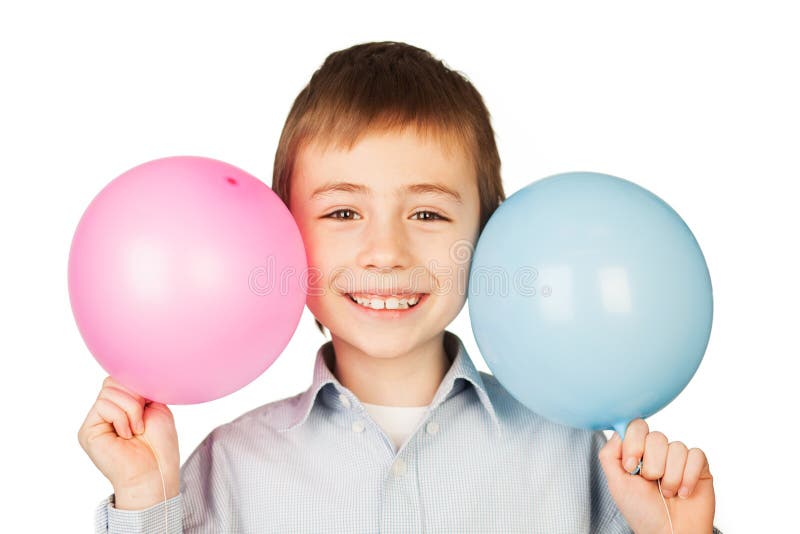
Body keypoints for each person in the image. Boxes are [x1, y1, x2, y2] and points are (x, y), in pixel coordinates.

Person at [79, 41, 722, 533]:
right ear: (280, 232)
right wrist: (144, 498)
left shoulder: (585, 462)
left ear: (492, 234)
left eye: (428, 214)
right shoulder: (227, 468)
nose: (386, 252)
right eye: (342, 212)